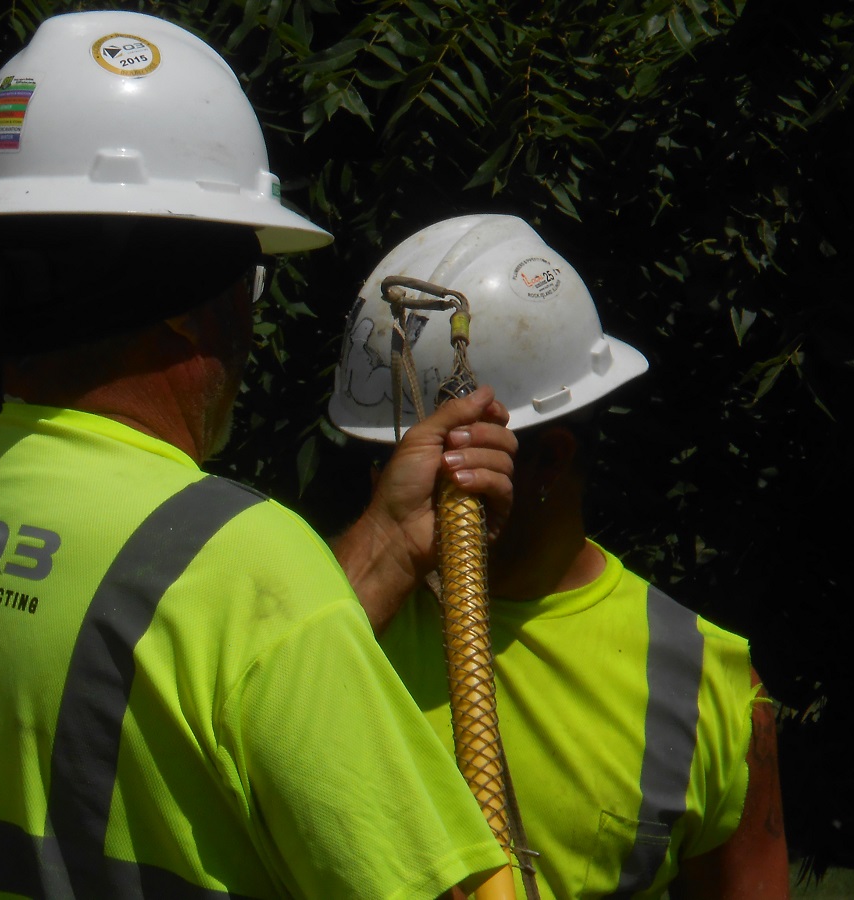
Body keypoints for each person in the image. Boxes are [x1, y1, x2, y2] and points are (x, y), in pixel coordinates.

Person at [0, 13, 517, 899]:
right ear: (198, 301)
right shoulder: (240, 563)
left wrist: (388, 541)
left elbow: (176, 696)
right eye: (252, 281)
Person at [327, 214, 790, 899]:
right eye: (383, 458)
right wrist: (383, 551)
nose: (393, 484)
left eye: (441, 454)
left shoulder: (702, 686)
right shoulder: (336, 613)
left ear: (549, 458)